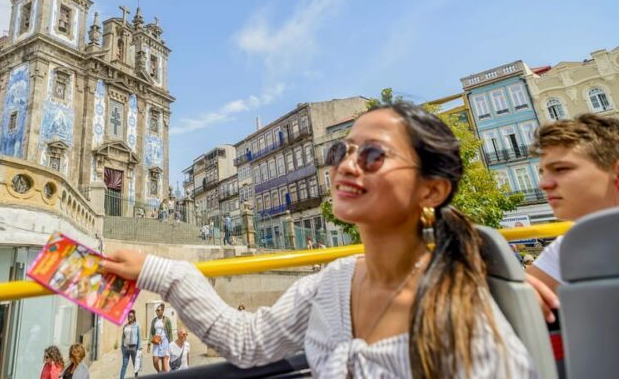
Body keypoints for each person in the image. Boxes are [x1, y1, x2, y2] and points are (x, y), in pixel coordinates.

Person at [102, 103, 537, 377]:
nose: (345, 166)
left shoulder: (465, 324)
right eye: (340, 152)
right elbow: (247, 341)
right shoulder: (333, 283)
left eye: (372, 155)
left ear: (431, 190)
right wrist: (155, 270)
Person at [525, 114, 619, 320]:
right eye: (543, 173)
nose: (543, 183)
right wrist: (517, 290)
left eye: (561, 169)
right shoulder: (574, 244)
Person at [147, 303, 172, 372]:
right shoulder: (154, 320)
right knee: (155, 361)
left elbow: (170, 332)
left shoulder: (167, 320)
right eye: (156, 310)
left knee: (164, 362)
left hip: (164, 342)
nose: (157, 312)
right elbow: (151, 332)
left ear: (162, 311)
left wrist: (171, 343)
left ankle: (163, 375)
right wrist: (149, 344)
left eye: (158, 310)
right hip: (156, 342)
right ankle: (159, 372)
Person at [120, 309, 141, 379]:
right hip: (125, 348)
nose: (130, 317)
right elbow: (123, 337)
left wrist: (139, 349)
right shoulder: (125, 326)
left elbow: (139, 338)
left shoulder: (137, 326)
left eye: (131, 316)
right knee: (124, 365)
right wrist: (122, 347)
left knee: (135, 365)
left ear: (134, 317)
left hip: (133, 348)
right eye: (128, 316)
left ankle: (136, 377)